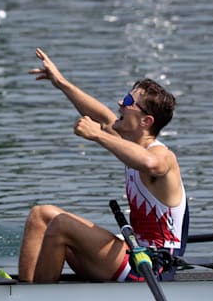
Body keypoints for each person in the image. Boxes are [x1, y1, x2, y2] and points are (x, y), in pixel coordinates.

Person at [17, 48, 187, 283]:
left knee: (62, 225)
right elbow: (104, 119)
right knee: (41, 215)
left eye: (128, 102)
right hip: (134, 253)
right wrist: (62, 83)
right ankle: (23, 291)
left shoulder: (163, 156)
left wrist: (97, 136)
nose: (120, 103)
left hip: (154, 266)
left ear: (147, 121)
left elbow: (150, 163)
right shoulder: (129, 143)